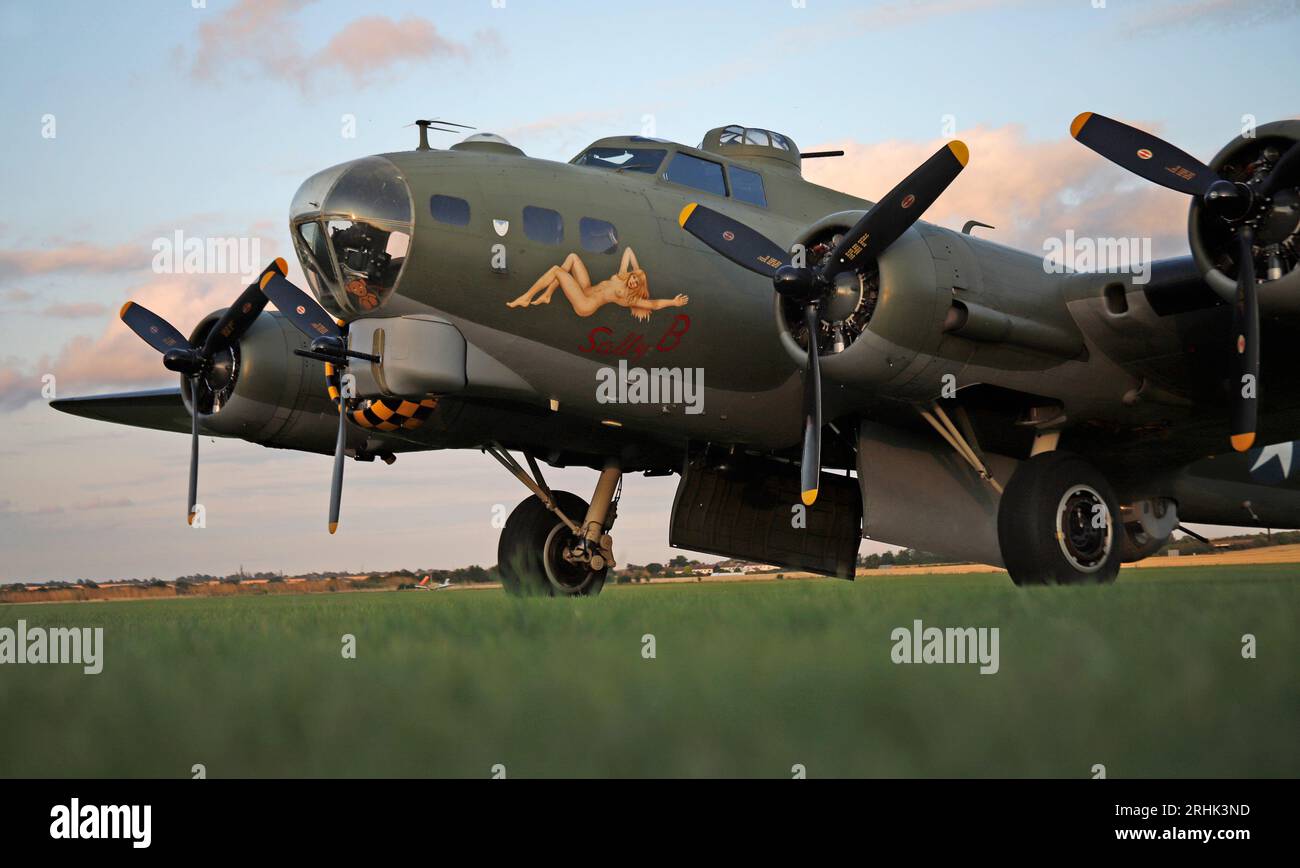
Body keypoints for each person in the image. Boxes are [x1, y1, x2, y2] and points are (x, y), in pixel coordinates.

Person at [507, 247, 687, 321]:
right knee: (572, 258)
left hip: (586, 304)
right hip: (585, 290)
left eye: (636, 282)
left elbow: (653, 304)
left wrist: (673, 302)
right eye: (633, 278)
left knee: (557, 270)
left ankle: (526, 297)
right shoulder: (621, 276)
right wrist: (638, 271)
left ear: (638, 287)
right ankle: (547, 295)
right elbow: (629, 251)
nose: (633, 281)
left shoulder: (628, 298)